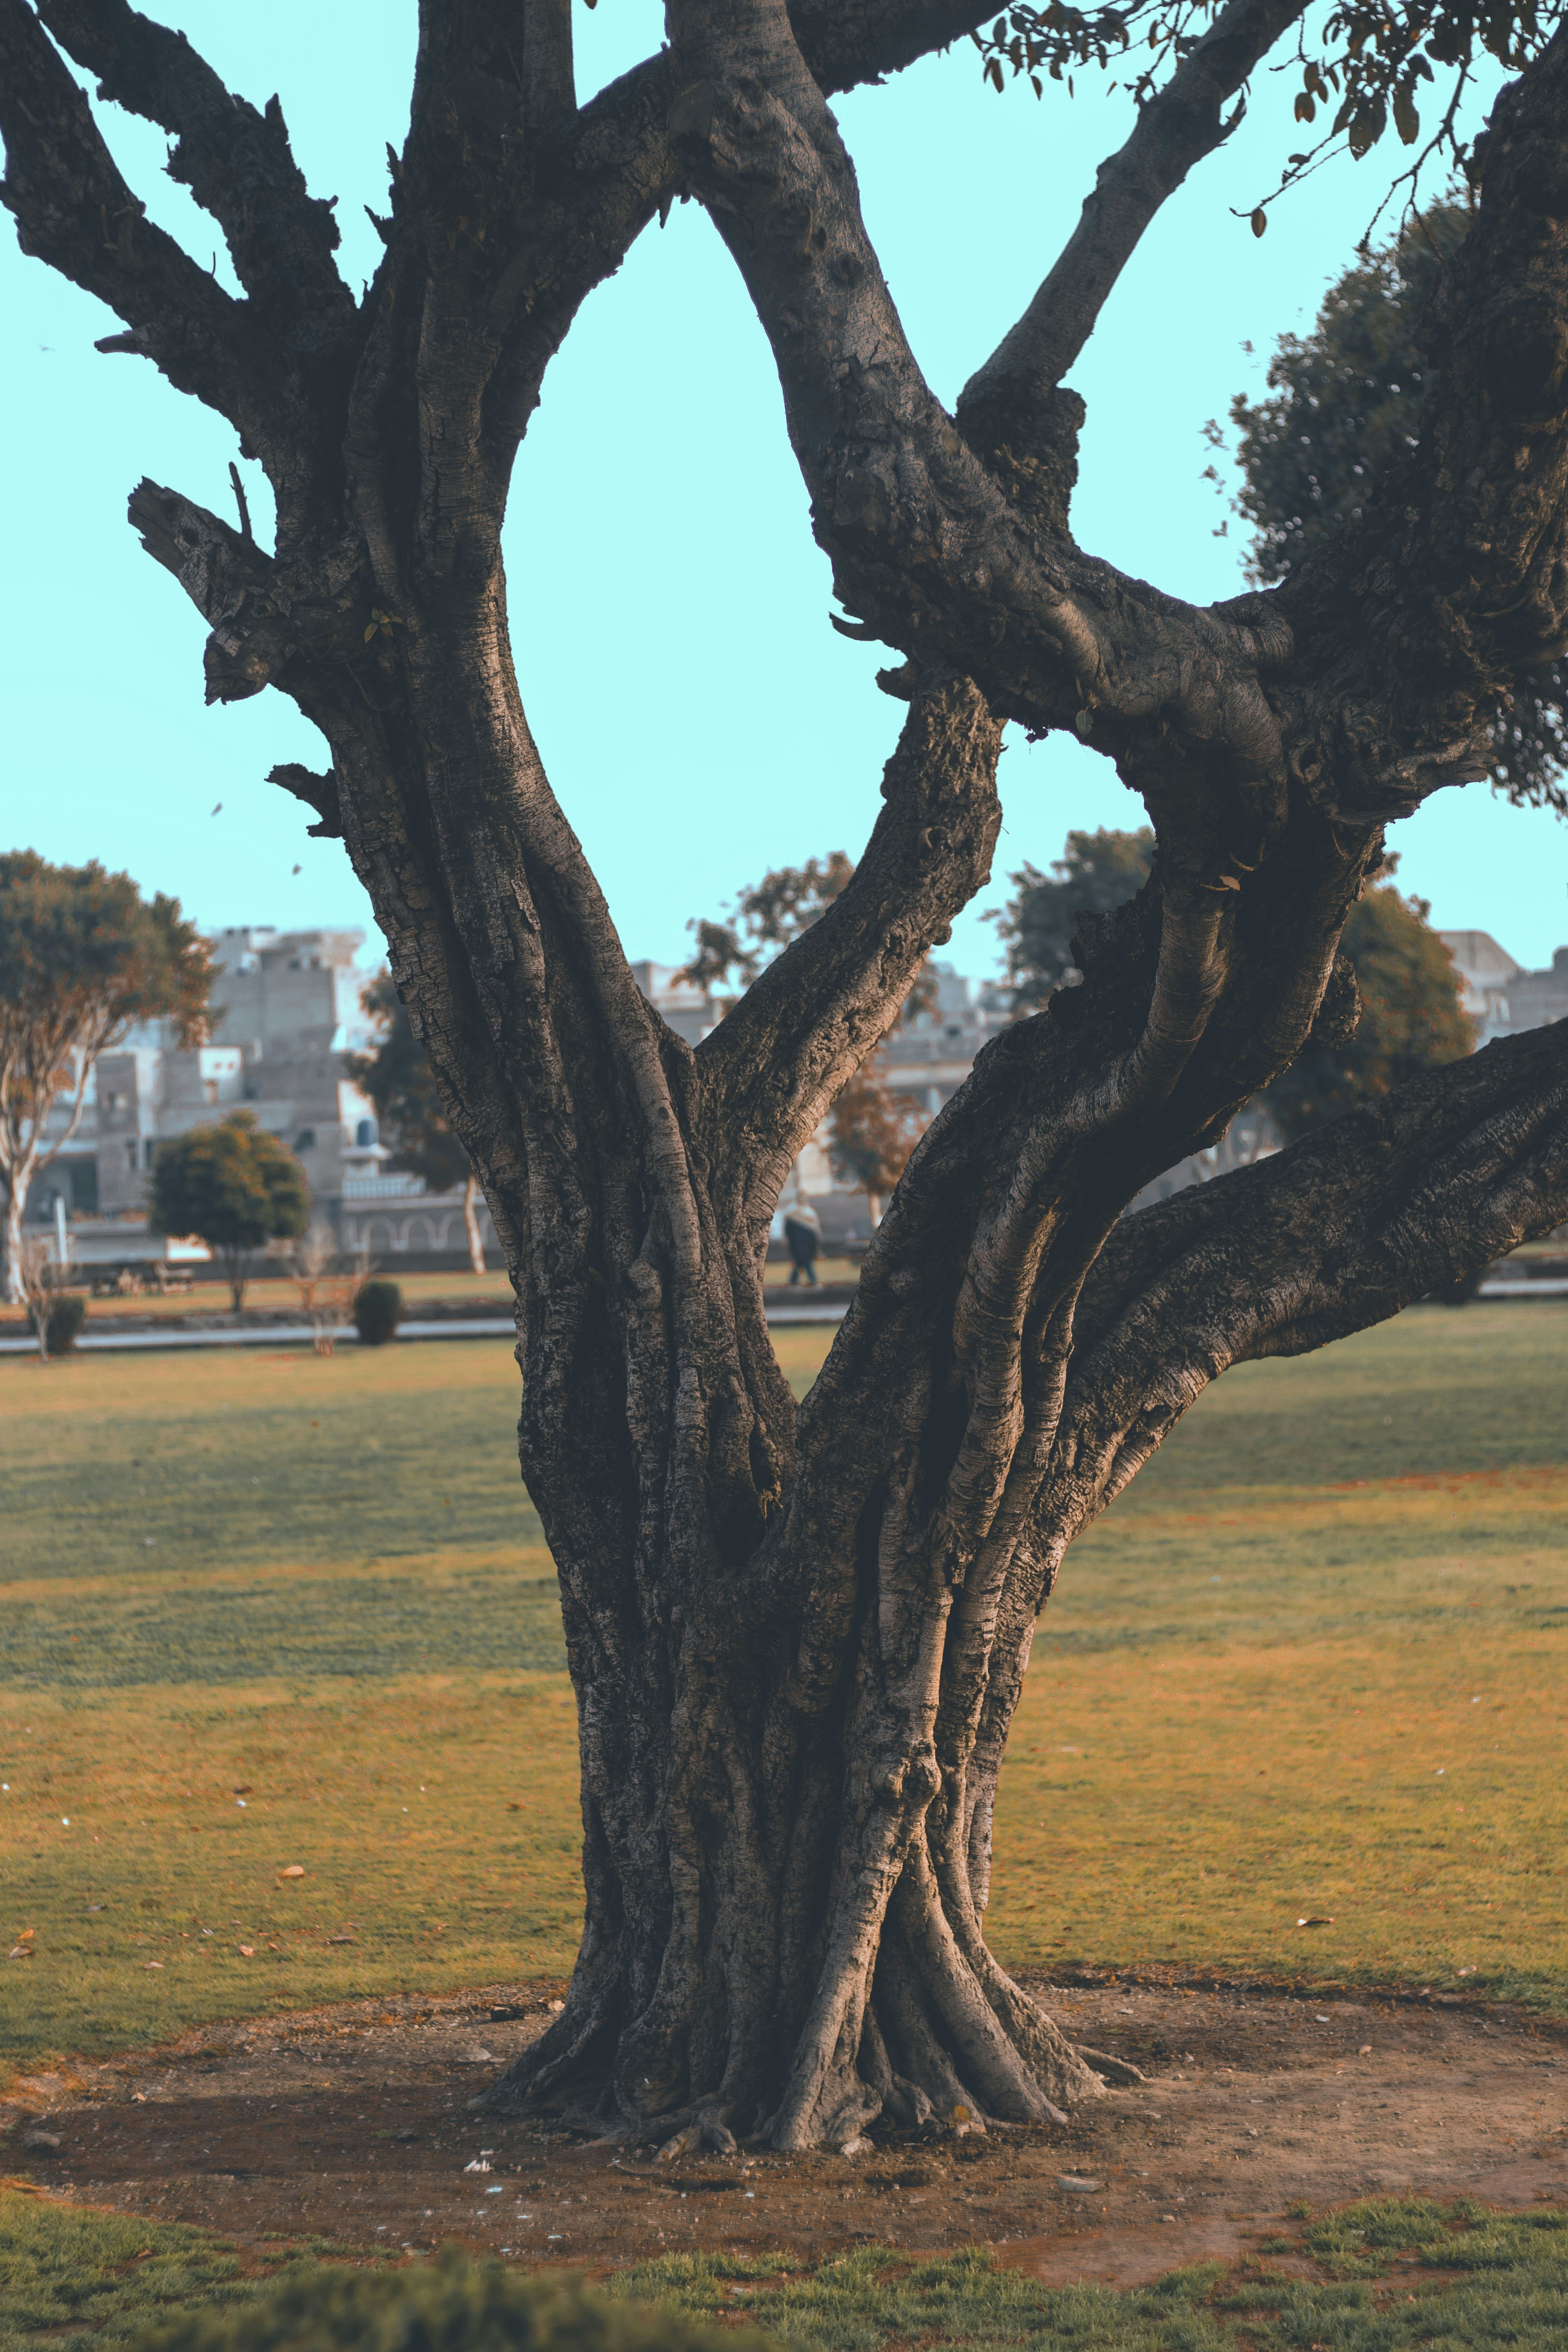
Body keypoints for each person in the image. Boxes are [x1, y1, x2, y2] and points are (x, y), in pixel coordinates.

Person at [782, 1199, 822, 1286]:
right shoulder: (792, 1211)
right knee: (802, 1261)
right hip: (797, 1242)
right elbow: (787, 1230)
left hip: (807, 1242)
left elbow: (815, 1228)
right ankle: (812, 1280)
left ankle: (794, 1281)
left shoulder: (809, 1212)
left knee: (801, 1261)